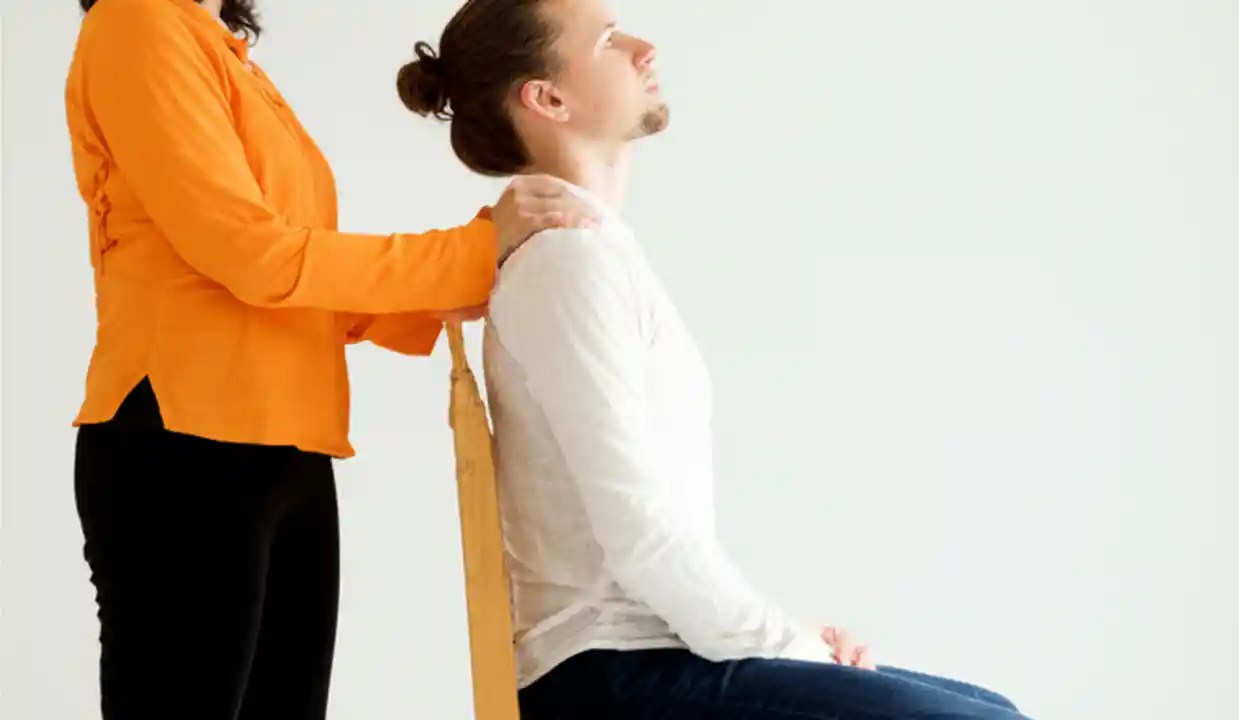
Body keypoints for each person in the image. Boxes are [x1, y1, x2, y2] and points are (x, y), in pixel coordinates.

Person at [397, 0, 1036, 718]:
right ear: (548, 98)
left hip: (658, 655)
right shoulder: (565, 263)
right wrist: (796, 650)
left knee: (988, 705)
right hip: (606, 678)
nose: (644, 49)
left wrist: (793, 646)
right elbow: (642, 535)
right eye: (610, 40)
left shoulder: (595, 254)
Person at [65, 0, 599, 718]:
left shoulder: (213, 49)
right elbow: (252, 256)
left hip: (283, 446)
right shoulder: (137, 23)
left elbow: (290, 279)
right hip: (183, 439)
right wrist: (467, 254)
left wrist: (462, 283)